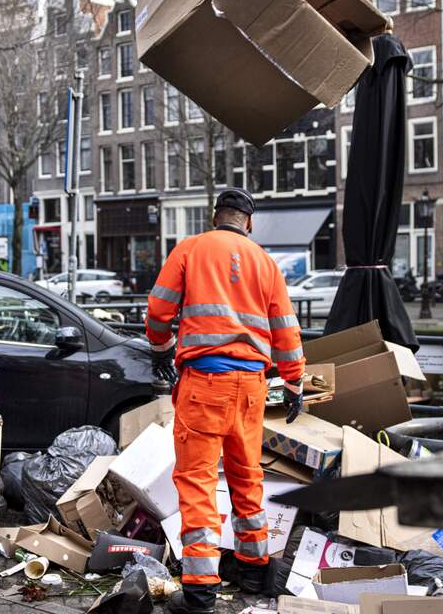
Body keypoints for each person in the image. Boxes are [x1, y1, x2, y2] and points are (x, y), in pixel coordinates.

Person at [144, 188, 306, 614]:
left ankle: (200, 591)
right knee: (247, 476)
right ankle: (255, 571)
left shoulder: (191, 249)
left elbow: (159, 309)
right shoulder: (266, 263)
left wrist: (161, 348)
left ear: (215, 216)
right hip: (251, 388)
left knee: (197, 482)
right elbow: (286, 330)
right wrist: (294, 383)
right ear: (248, 222)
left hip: (205, 385)